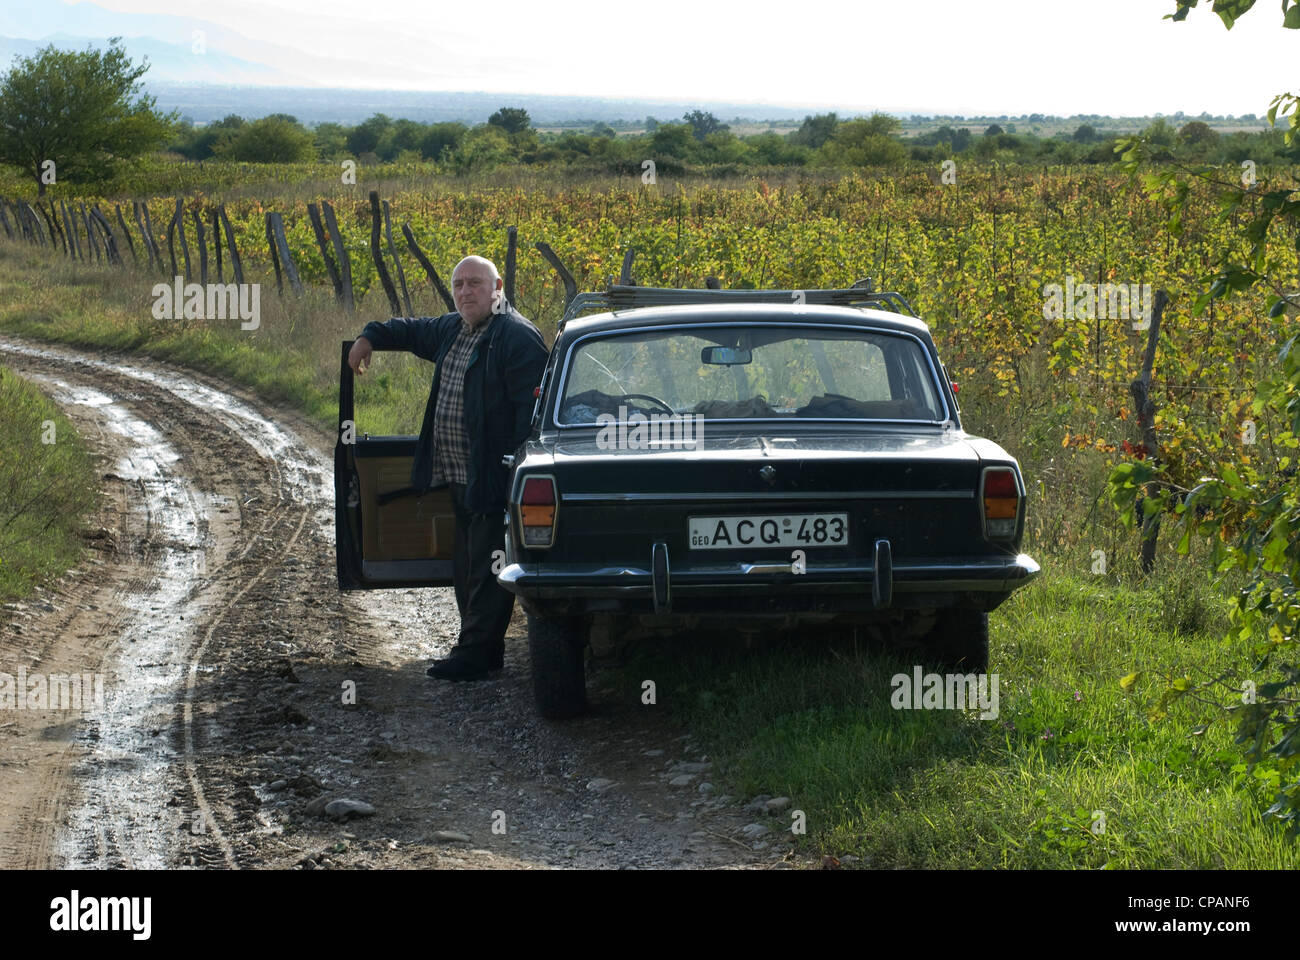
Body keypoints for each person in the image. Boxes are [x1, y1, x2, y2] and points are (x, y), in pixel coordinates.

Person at [347, 256, 548, 681]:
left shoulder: (516, 338)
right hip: (460, 477)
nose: (464, 292)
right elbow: (408, 329)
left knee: (487, 566)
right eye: (458, 285)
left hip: (494, 478)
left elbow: (529, 421)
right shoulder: (453, 329)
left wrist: (512, 476)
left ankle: (477, 653)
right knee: (467, 563)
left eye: (474, 283)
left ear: (497, 287)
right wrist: (368, 338)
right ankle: (477, 647)